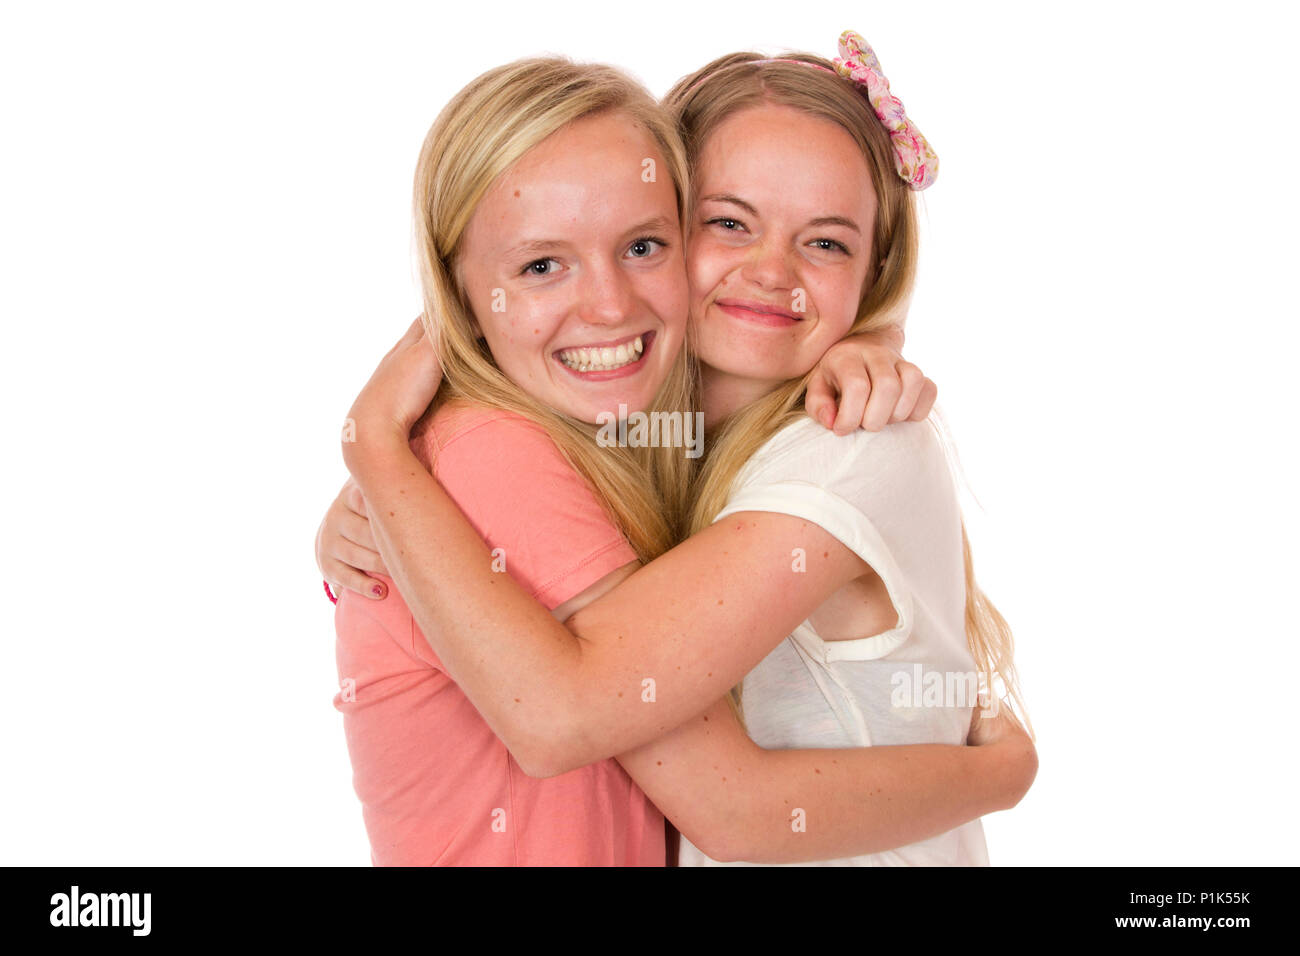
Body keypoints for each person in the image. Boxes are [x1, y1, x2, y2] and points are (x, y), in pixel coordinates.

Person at [327, 39, 1035, 866]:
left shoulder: (850, 444)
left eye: (828, 244)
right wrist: (378, 464)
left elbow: (694, 787)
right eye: (729, 223)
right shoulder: (619, 448)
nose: (772, 272)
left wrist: (381, 453)